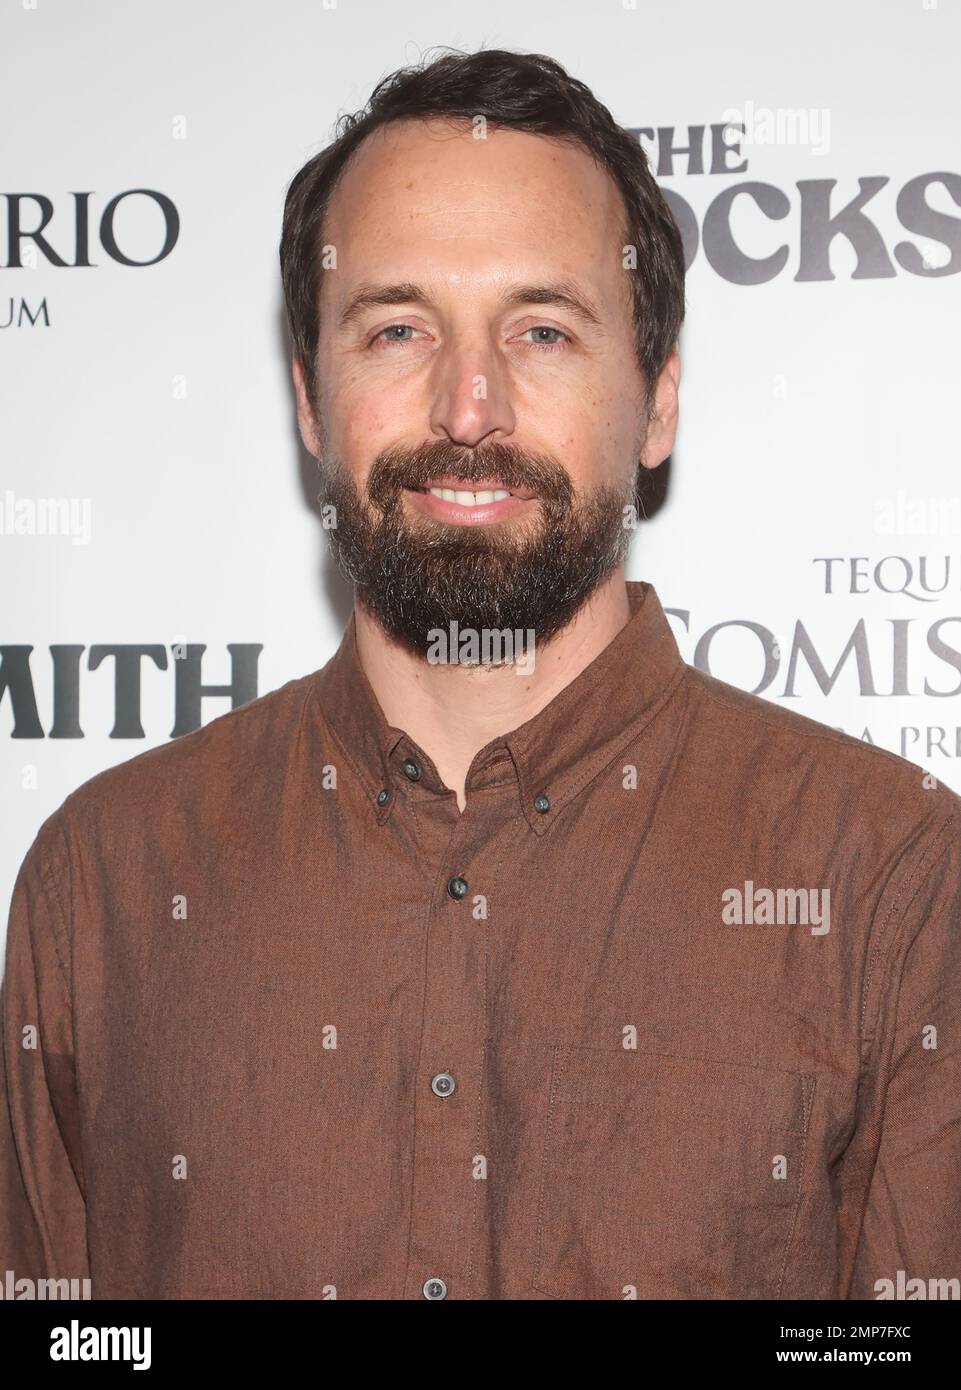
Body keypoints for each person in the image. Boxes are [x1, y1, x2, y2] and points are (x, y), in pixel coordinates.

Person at [2, 47, 959, 1301]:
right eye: (398, 328)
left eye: (543, 331)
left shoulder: (887, 876)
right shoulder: (102, 880)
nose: (468, 405)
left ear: (657, 402)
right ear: (307, 397)